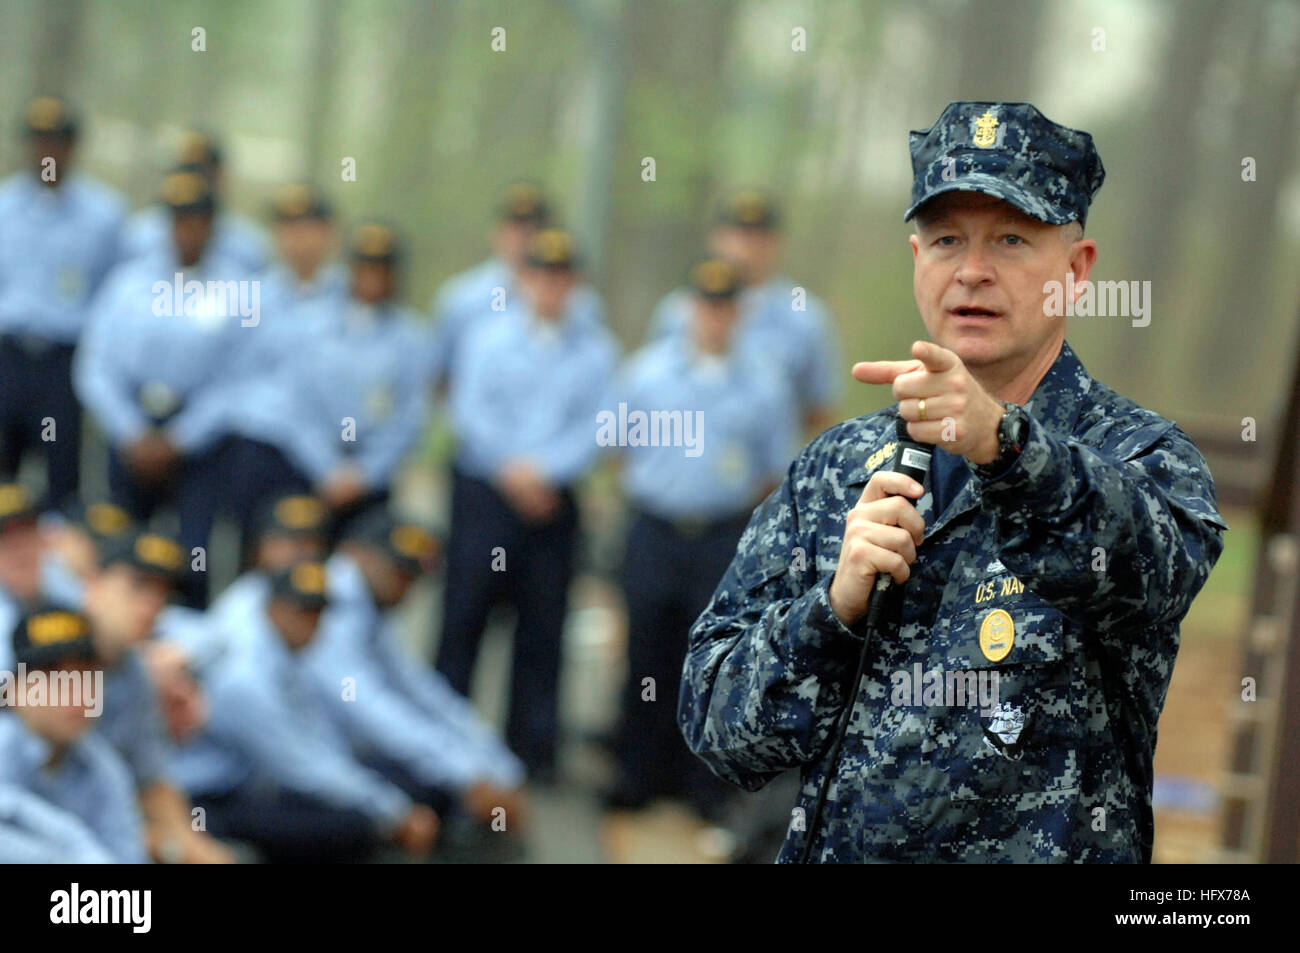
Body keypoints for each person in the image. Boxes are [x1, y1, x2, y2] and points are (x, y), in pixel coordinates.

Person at [678, 101, 1228, 863]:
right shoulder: (838, 466)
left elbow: (1150, 567)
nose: (973, 269)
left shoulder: (1143, 457)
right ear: (917, 261)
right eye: (946, 239)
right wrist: (831, 611)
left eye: (1010, 237)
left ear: (1076, 270)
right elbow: (714, 724)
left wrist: (1003, 445)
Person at [604, 257, 795, 817]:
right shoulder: (646, 373)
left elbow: (771, 469)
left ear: (739, 314)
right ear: (689, 308)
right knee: (646, 652)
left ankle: (704, 784)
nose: (714, 318)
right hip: (655, 529)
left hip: (722, 535)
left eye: (725, 308)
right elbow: (618, 449)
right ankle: (637, 773)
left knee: (715, 660)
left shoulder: (764, 384)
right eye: (706, 306)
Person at [437, 227, 618, 778]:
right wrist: (514, 470)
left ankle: (532, 749)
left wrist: (546, 473)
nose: (549, 288)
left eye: (561, 278)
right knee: (464, 619)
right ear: (522, 278)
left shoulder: (596, 351)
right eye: (539, 275)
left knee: (542, 626)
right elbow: (468, 409)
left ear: (575, 284)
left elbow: (601, 424)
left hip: (552, 503)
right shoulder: (487, 337)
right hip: (487, 493)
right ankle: (446, 738)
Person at [169, 560, 438, 863]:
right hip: (204, 798)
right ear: (273, 608)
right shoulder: (245, 675)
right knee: (352, 825)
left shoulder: (283, 651)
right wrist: (394, 811)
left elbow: (317, 742)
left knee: (393, 786)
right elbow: (301, 766)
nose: (313, 625)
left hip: (250, 783)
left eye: (319, 613)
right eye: (302, 612)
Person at [75, 167, 253, 607]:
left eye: (197, 220)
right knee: (118, 547)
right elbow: (95, 365)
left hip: (197, 441)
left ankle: (184, 648)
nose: (187, 231)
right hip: (130, 434)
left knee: (194, 555)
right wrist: (131, 431)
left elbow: (241, 378)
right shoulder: (128, 282)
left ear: (213, 226)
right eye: (178, 220)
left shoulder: (238, 290)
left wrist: (181, 438)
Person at [310, 511, 527, 832]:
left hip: (335, 744)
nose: (407, 589)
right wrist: (469, 777)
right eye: (398, 572)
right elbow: (372, 710)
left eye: (412, 577)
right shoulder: (330, 603)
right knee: (429, 799)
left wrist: (497, 765)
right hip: (290, 762)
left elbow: (418, 688)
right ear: (357, 553)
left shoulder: (368, 601)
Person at [247, 221, 437, 538]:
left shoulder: (411, 338)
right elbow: (297, 405)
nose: (373, 280)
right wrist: (326, 467)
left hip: (372, 479)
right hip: (312, 470)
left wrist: (364, 474)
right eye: (365, 269)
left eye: (382, 270)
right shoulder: (313, 327)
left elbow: (410, 417)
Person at [0, 96, 127, 508]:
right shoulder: (5, 207)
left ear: (72, 148)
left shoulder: (102, 216)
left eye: (55, 143)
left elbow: (114, 297)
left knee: (61, 479)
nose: (46, 154)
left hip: (63, 362)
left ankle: (55, 567)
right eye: (38, 143)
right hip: (8, 356)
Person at [647, 190, 840, 436]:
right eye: (736, 236)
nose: (744, 249)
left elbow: (819, 409)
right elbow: (652, 386)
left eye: (756, 238)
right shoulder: (678, 311)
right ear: (715, 239)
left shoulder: (803, 319)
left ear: (776, 243)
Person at [220, 184, 344, 556]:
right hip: (259, 447)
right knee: (251, 556)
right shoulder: (252, 297)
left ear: (328, 233)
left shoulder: (349, 300)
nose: (296, 240)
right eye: (286, 229)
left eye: (306, 228)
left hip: (323, 457)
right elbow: (230, 375)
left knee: (312, 564)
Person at [0, 604, 148, 863]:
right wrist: (72, 848)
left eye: (86, 675)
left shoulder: (105, 769)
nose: (76, 691)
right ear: (14, 691)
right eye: (54, 676)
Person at [429, 182, 604, 389]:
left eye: (534, 228)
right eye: (516, 228)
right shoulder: (462, 299)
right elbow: (440, 374)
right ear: (497, 233)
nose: (524, 238)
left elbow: (591, 364)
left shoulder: (581, 301)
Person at [121, 129, 268, 272]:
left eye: (201, 170)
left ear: (218, 174)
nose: (190, 179)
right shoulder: (138, 234)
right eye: (183, 167)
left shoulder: (246, 244)